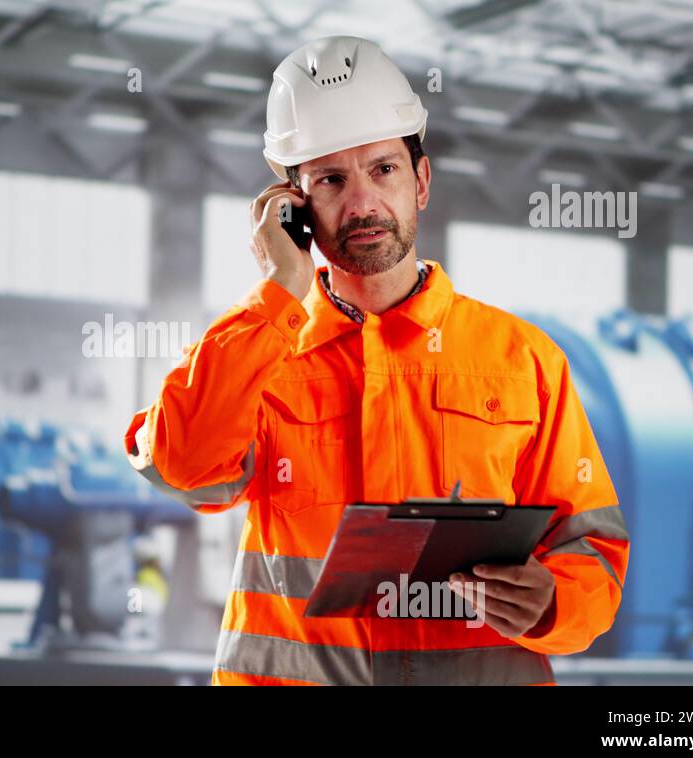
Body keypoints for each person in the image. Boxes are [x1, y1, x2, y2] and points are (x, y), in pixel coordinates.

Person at [121, 35, 629, 685]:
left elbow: (595, 549)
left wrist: (552, 599)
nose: (362, 204)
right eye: (331, 179)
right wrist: (280, 285)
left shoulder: (523, 360)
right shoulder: (261, 350)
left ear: (420, 180)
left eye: (383, 169)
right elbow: (181, 464)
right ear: (291, 206)